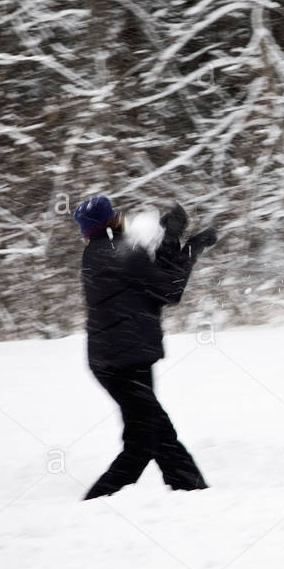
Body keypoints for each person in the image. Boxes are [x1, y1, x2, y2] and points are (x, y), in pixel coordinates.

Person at [74, 194, 218, 500]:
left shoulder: (101, 253)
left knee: (154, 433)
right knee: (145, 440)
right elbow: (169, 289)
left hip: (116, 360)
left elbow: (155, 282)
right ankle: (95, 502)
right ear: (112, 218)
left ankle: (194, 492)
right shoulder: (120, 251)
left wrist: (174, 239)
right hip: (125, 362)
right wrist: (184, 243)